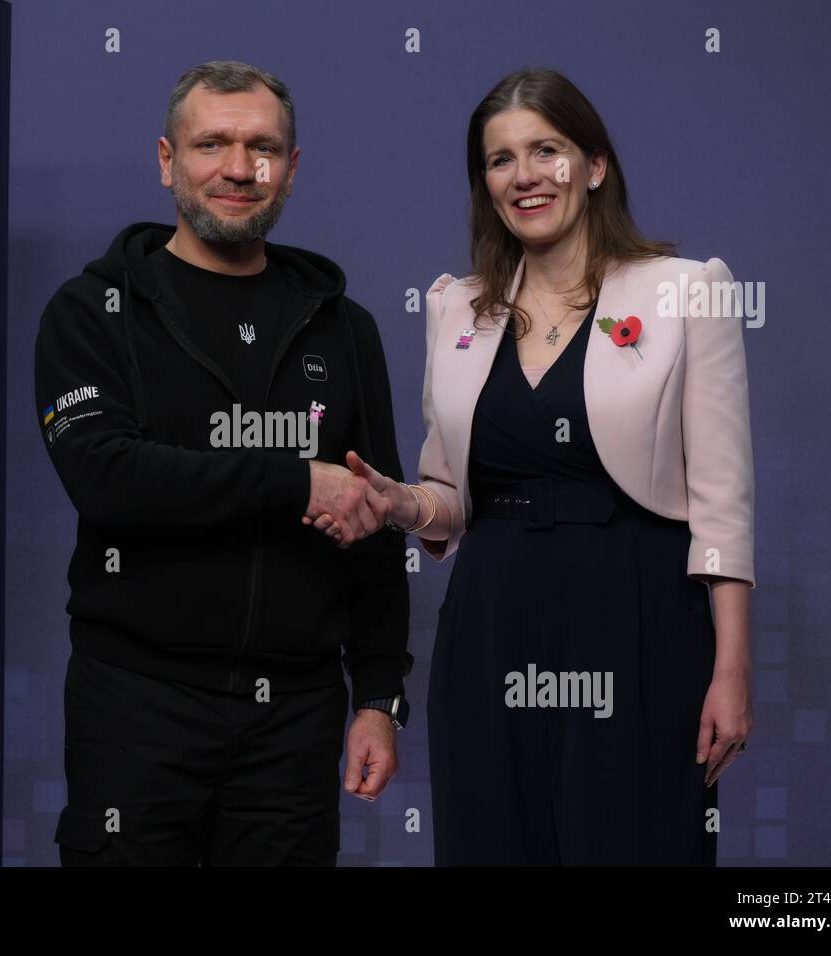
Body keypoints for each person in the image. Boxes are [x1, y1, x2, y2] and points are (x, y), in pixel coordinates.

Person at [314, 67, 755, 865]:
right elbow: (450, 494)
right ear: (484, 183)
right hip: (493, 620)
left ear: (593, 165)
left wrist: (731, 669)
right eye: (500, 159)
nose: (524, 176)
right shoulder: (456, 306)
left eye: (545, 150)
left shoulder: (691, 293)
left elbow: (721, 503)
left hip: (639, 616)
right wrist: (399, 502)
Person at [34, 60, 413, 866]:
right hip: (135, 706)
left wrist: (378, 696)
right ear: (168, 159)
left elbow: (375, 525)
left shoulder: (344, 328)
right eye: (213, 144)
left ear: (293, 169)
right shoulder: (91, 312)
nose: (239, 169)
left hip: (296, 719)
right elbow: (108, 478)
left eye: (262, 148)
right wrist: (296, 479)